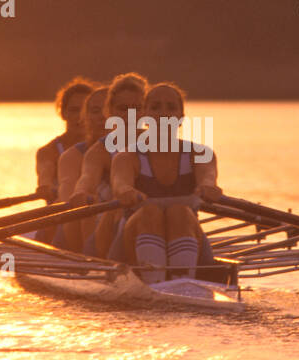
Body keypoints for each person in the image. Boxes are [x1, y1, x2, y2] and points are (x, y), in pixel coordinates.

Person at [111, 82, 221, 283]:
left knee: (179, 212)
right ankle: (160, 282)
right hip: (130, 240)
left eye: (171, 107)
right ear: (143, 116)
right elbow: (120, 184)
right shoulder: (126, 157)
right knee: (150, 211)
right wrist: (126, 191)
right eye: (155, 107)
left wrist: (208, 186)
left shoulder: (200, 154)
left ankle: (178, 282)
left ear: (181, 117)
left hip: (185, 225)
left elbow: (208, 176)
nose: (163, 113)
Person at [67, 72, 148, 254]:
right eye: (123, 109)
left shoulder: (162, 145)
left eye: (136, 108)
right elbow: (87, 178)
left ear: (146, 111)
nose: (130, 115)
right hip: (106, 236)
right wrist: (81, 191)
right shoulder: (99, 152)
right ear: (110, 111)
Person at [55, 85, 108, 252]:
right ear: (85, 118)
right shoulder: (72, 156)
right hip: (75, 234)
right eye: (96, 111)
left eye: (107, 110)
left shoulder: (148, 147)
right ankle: (88, 260)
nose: (103, 117)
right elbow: (69, 200)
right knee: (85, 210)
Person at [34, 77, 95, 201]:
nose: (80, 117)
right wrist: (45, 186)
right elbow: (45, 171)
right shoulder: (49, 152)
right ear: (63, 113)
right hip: (63, 213)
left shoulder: (105, 148)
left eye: (85, 110)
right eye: (74, 110)